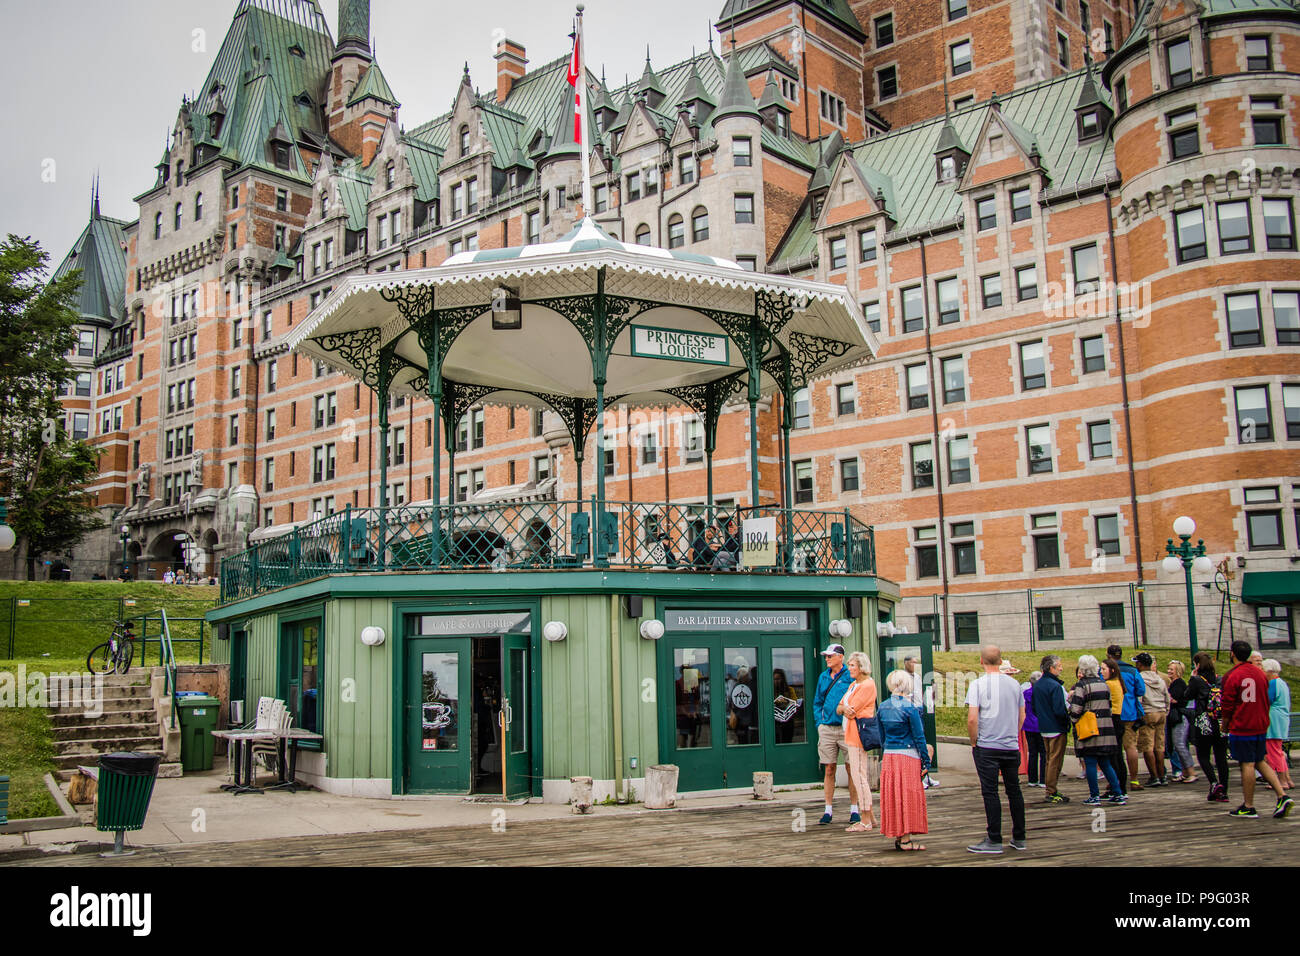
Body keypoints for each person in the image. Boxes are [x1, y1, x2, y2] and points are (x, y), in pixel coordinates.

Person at [1220, 641, 1293, 819]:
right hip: (1260, 724)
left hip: (1242, 724)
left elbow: (1228, 704)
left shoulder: (1232, 675)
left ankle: (1249, 805)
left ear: (1232, 654)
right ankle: (1282, 796)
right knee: (1260, 760)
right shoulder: (1260, 675)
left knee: (1247, 764)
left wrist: (1225, 724)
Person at [965, 644, 1027, 854]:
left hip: (987, 745)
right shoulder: (1014, 685)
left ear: (981, 661)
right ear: (1001, 661)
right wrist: (1012, 733)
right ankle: (1019, 836)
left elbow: (973, 718)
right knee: (1014, 789)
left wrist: (974, 741)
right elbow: (1022, 716)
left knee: (990, 792)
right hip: (1010, 745)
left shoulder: (977, 685)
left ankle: (994, 838)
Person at [879, 669, 930, 851]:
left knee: (894, 796)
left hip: (889, 756)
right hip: (907, 755)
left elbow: (881, 736)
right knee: (907, 796)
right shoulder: (910, 708)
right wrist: (926, 760)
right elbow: (919, 736)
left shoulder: (883, 706)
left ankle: (900, 836)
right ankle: (906, 839)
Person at [812, 643, 861, 826]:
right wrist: (819, 724)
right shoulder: (823, 677)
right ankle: (828, 809)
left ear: (841, 657)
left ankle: (854, 808)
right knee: (829, 768)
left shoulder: (850, 675)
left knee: (851, 768)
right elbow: (817, 701)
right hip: (827, 728)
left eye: (830, 656)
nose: (827, 659)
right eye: (826, 656)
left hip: (847, 728)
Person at [1067, 655, 1126, 804]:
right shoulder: (1103, 684)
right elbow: (1109, 705)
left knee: (1091, 762)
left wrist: (1073, 715)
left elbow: (1076, 709)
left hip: (1090, 729)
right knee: (1105, 762)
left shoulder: (1082, 685)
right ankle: (1118, 793)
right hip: (1106, 727)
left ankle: (1094, 795)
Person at [836, 651, 878, 832]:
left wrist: (844, 707)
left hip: (859, 735)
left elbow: (851, 709)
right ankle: (871, 817)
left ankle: (866, 819)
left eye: (852, 665)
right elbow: (839, 708)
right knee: (858, 774)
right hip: (850, 733)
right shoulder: (854, 684)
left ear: (861, 667)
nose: (849, 668)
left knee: (859, 776)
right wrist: (844, 708)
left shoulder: (867, 685)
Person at [1188, 652, 1230, 802]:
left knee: (1203, 755)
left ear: (1197, 665)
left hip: (1204, 722)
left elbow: (1187, 696)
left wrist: (1192, 677)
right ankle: (1224, 789)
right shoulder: (1221, 679)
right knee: (1221, 757)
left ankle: (1214, 783)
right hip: (1220, 722)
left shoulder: (1197, 680)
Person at [1031, 654, 1070, 804]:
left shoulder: (1038, 684)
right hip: (1056, 727)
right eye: (1059, 665)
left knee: (1048, 759)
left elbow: (1034, 707)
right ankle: (1051, 790)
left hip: (1044, 726)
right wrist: (1066, 721)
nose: (1061, 668)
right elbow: (1060, 710)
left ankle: (1050, 787)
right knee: (1055, 760)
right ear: (1051, 668)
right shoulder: (1055, 686)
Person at [1108, 643, 1147, 790]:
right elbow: (1141, 690)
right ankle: (1134, 780)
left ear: (1108, 655)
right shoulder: (1132, 670)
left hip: (1113, 713)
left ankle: (1114, 779)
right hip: (1130, 712)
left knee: (1114, 749)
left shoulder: (1106, 670)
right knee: (1131, 746)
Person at [1134, 653, 1170, 785]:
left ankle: (1154, 776)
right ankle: (1162, 775)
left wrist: (1139, 714)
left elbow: (1139, 697)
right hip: (1161, 711)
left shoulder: (1140, 679)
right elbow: (1167, 696)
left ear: (1140, 664)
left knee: (1147, 746)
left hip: (1148, 712)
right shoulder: (1159, 678)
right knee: (1159, 745)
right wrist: (1166, 710)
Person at [1100, 659, 1128, 800]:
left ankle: (1117, 787)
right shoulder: (1118, 682)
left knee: (1113, 757)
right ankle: (1120, 787)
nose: (1101, 671)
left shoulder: (1109, 684)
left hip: (1112, 719)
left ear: (1112, 670)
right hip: (1118, 719)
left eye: (1104, 669)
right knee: (1118, 756)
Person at [1165, 660, 1197, 784]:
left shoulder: (1179, 684)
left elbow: (1175, 700)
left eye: (1171, 669)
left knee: (1180, 744)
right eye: (1169, 669)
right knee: (1177, 746)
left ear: (1178, 671)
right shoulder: (1174, 683)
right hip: (1175, 717)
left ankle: (1191, 772)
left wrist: (1167, 697)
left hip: (1180, 717)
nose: (1169, 671)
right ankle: (1185, 771)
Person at [1264, 659, 1294, 790]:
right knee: (1278, 751)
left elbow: (1267, 700)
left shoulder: (1273, 683)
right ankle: (1287, 779)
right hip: (1282, 719)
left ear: (1269, 671)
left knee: (1273, 751)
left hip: (1273, 720)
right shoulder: (1282, 683)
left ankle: (1281, 780)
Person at [1023, 670, 1046, 788]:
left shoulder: (1025, 693)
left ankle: (1032, 779)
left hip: (1028, 725)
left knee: (1032, 752)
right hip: (1041, 725)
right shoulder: (1043, 693)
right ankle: (1043, 779)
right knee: (1044, 752)